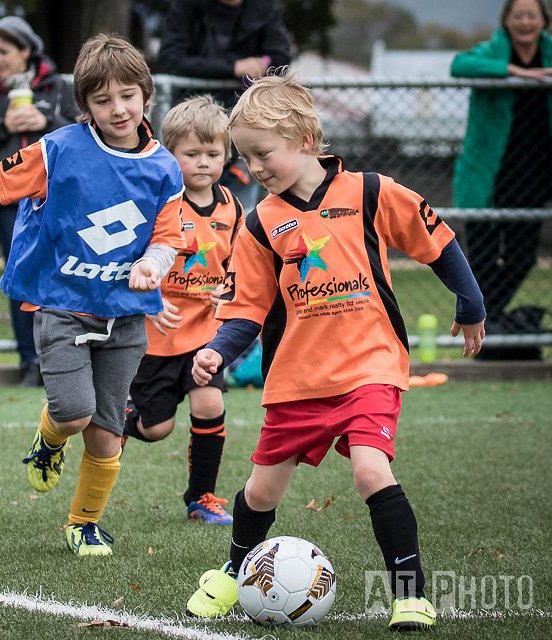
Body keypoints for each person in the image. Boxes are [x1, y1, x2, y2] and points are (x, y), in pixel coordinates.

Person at [183, 72, 485, 631]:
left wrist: (470, 300)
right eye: (246, 159)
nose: (255, 168)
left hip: (370, 365)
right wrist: (217, 350)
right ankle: (233, 570)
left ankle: (410, 594)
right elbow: (246, 306)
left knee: (372, 471)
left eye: (262, 153)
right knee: (261, 489)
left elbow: (436, 241)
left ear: (302, 136)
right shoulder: (259, 223)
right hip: (297, 378)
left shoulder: (370, 191)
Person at [0, 34, 185, 556]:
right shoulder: (59, 149)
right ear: (86, 106)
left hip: (126, 317)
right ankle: (48, 440)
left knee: (107, 433)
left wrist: (151, 267)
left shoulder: (165, 168)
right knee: (72, 414)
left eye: (128, 96)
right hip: (63, 306)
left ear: (147, 97)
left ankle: (84, 522)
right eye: (103, 99)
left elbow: (168, 237)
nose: (118, 109)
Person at [122, 95, 243, 525]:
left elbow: (239, 265)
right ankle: (124, 422)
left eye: (213, 154)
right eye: (192, 154)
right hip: (157, 339)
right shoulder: (160, 205)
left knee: (209, 405)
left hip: (207, 339)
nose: (204, 163)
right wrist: (149, 304)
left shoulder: (233, 206)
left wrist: (227, 292)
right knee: (157, 429)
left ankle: (201, 498)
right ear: (171, 155)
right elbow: (130, 266)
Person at [0, 16, 79, 386]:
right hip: (7, 203)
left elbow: (82, 133)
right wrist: (3, 126)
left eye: (4, 51)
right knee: (22, 272)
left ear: (26, 51)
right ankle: (30, 361)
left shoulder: (58, 88)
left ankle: (62, 357)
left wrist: (45, 119)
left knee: (62, 273)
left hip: (58, 199)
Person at [452, 0, 551, 360]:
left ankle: (485, 321)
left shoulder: (549, 52)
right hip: (489, 171)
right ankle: (486, 327)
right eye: (518, 15)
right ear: (507, 21)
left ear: (544, 21)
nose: (525, 22)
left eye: (532, 16)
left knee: (522, 256)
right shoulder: (494, 49)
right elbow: (459, 65)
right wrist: (515, 72)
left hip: (535, 172)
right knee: (481, 256)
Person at [158, 0, 292, 213]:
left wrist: (261, 65)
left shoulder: (265, 8)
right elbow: (170, 59)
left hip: (244, 119)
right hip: (193, 115)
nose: (204, 162)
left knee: (240, 203)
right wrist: (234, 67)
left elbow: (280, 58)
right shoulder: (186, 6)